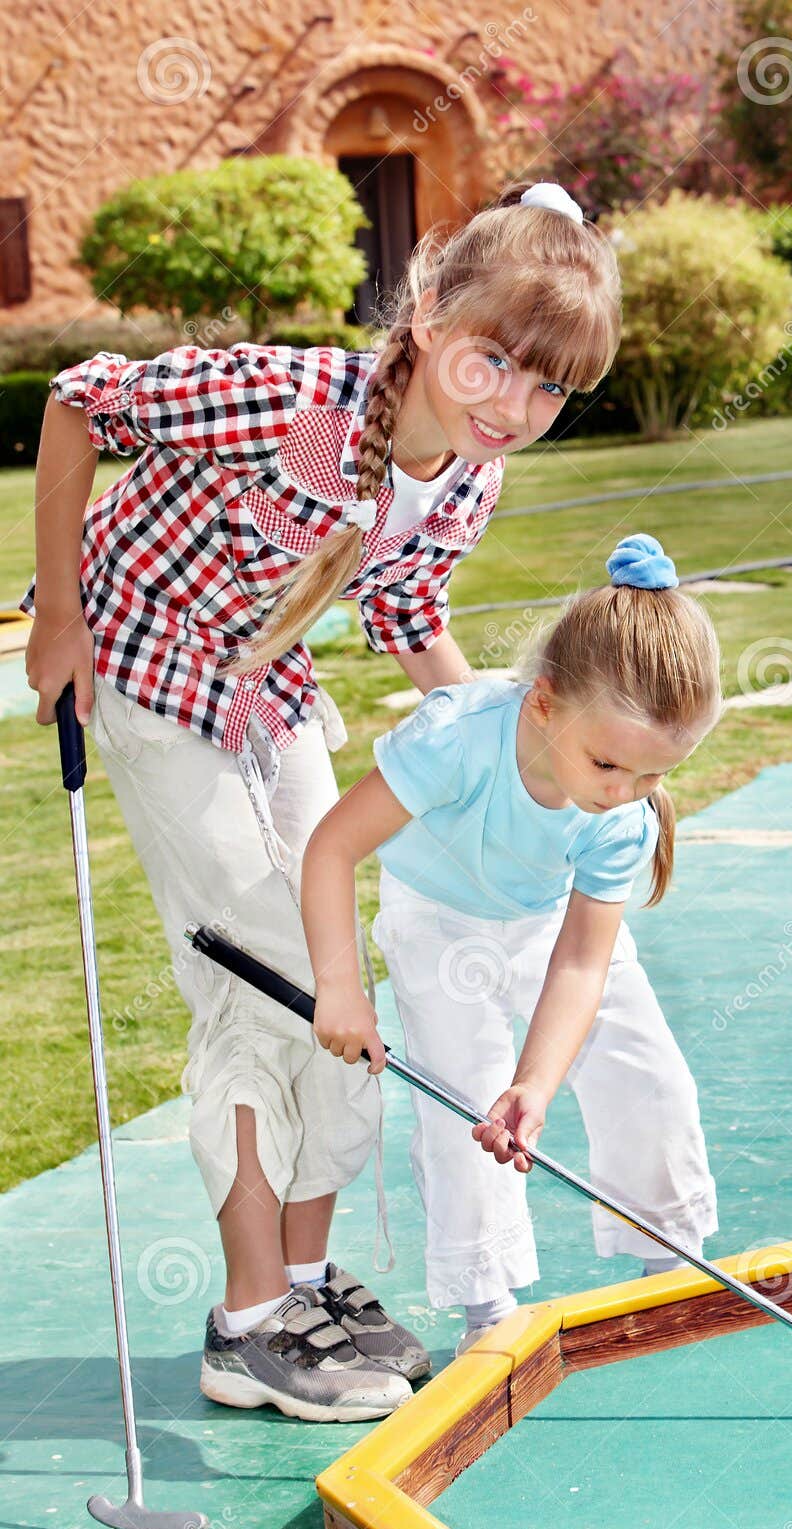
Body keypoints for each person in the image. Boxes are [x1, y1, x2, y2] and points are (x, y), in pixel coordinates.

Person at [24, 179, 621, 1421]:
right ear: (432, 313)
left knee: (335, 959)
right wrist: (59, 615)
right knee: (268, 972)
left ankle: (301, 1279)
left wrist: (529, 740)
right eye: (493, 361)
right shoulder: (293, 402)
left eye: (549, 387)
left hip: (268, 676)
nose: (513, 404)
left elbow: (405, 612)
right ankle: (245, 1319)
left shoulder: (465, 476)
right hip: (144, 659)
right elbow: (78, 400)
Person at [301, 533, 722, 1356]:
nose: (626, 794)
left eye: (654, 776)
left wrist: (535, 1083)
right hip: (437, 918)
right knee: (462, 1095)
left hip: (542, 919)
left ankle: (669, 1261)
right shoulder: (456, 737)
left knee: (650, 1074)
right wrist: (340, 984)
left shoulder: (622, 817)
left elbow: (580, 963)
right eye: (609, 765)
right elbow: (332, 849)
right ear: (544, 703)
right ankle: (486, 1306)